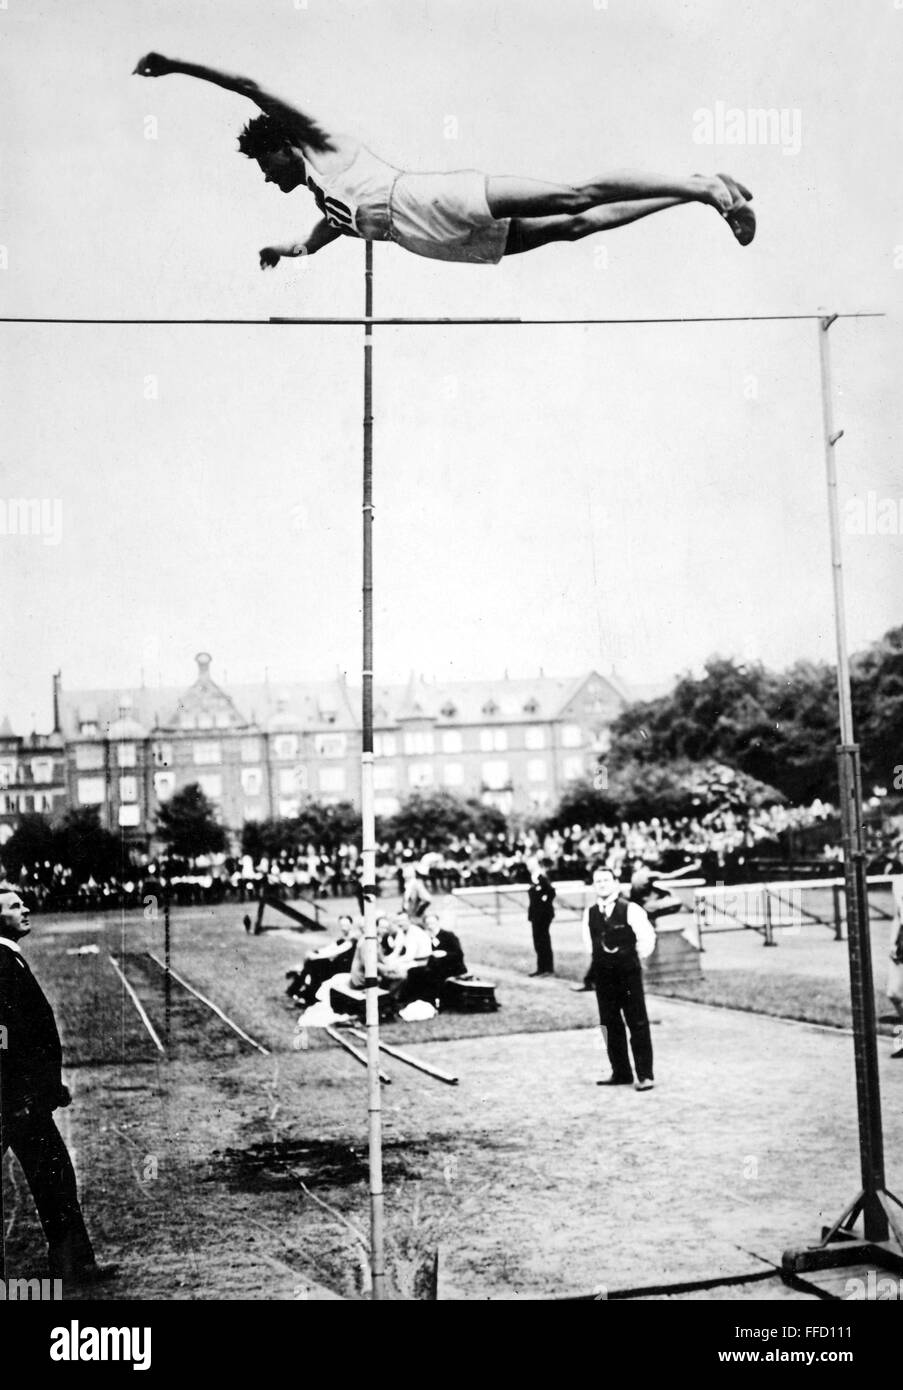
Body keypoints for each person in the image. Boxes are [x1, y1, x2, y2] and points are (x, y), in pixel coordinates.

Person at [133, 53, 756, 268]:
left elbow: (248, 85)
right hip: (432, 241)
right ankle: (696, 194)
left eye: (267, 167)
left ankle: (701, 186)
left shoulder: (316, 142)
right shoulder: (329, 204)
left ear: (280, 146)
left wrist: (177, 67)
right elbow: (321, 236)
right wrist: (284, 249)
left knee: (571, 197)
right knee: (574, 229)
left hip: (429, 200)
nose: (269, 180)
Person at [0, 885, 117, 1284]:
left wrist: (48, 1086)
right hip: (17, 1101)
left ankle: (74, 1265)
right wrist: (20, 1094)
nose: (25, 909)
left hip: (25, 1098)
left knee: (57, 1178)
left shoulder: (9, 959)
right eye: (14, 906)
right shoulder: (0, 963)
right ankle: (74, 1265)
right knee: (56, 1179)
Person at [582, 866, 657, 1091]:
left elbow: (646, 939)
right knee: (609, 1023)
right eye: (598, 881)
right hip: (604, 976)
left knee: (637, 1022)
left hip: (627, 975)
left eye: (606, 880)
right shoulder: (590, 912)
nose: (602, 884)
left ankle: (644, 1074)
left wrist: (629, 961)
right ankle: (620, 1072)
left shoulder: (631, 909)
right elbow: (589, 943)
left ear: (616, 882)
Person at [527, 860, 556, 978]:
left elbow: (551, 892)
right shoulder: (533, 878)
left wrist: (545, 902)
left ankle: (547, 968)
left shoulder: (541, 877)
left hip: (543, 916)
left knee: (543, 941)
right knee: (538, 942)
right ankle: (541, 967)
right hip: (535, 915)